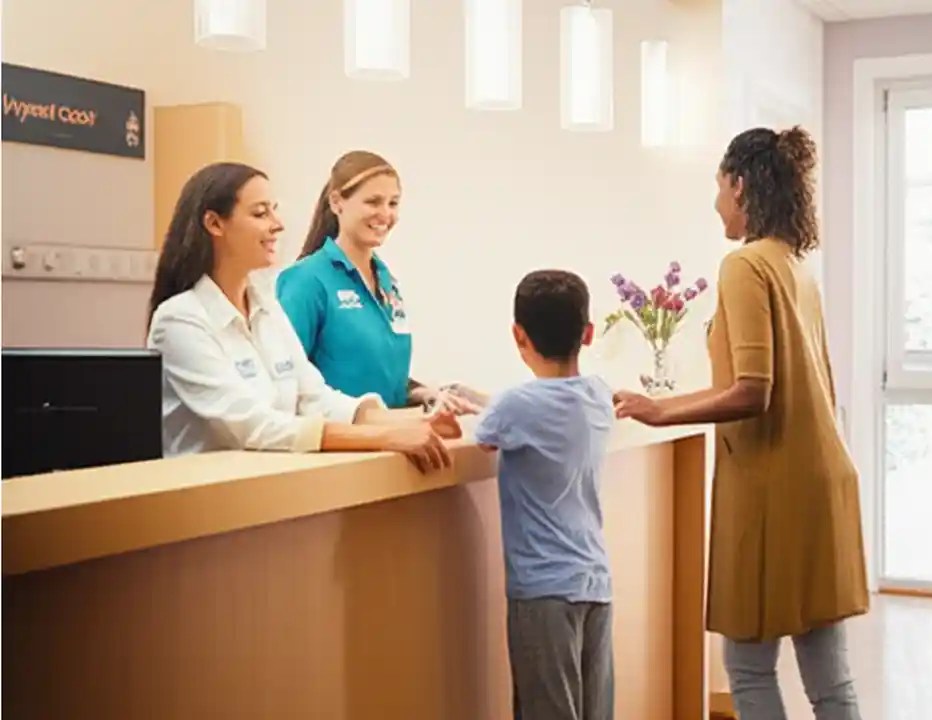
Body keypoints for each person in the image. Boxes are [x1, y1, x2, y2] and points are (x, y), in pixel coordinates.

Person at [613, 126, 865, 720]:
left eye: (718, 187)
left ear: (740, 184)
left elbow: (752, 390)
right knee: (830, 678)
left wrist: (659, 410)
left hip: (773, 488)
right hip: (822, 480)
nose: (716, 203)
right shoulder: (796, 266)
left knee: (748, 669)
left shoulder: (745, 265)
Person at [147, 162, 458, 472]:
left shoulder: (267, 309)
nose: (278, 224)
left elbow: (313, 397)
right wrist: (383, 435)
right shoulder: (180, 321)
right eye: (260, 213)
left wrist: (416, 419)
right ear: (215, 224)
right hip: (208, 495)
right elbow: (254, 425)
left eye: (274, 210)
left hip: (273, 484)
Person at [472, 270, 615, 720]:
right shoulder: (599, 395)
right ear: (588, 333)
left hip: (543, 591)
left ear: (518, 335)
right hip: (595, 583)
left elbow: (486, 434)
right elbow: (532, 411)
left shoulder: (515, 406)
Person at [277, 150, 483, 414]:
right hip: (336, 443)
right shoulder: (306, 280)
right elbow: (285, 378)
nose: (385, 214)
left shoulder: (387, 281)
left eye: (393, 203)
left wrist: (421, 393)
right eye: (373, 202)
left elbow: (380, 373)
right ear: (337, 202)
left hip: (391, 437)